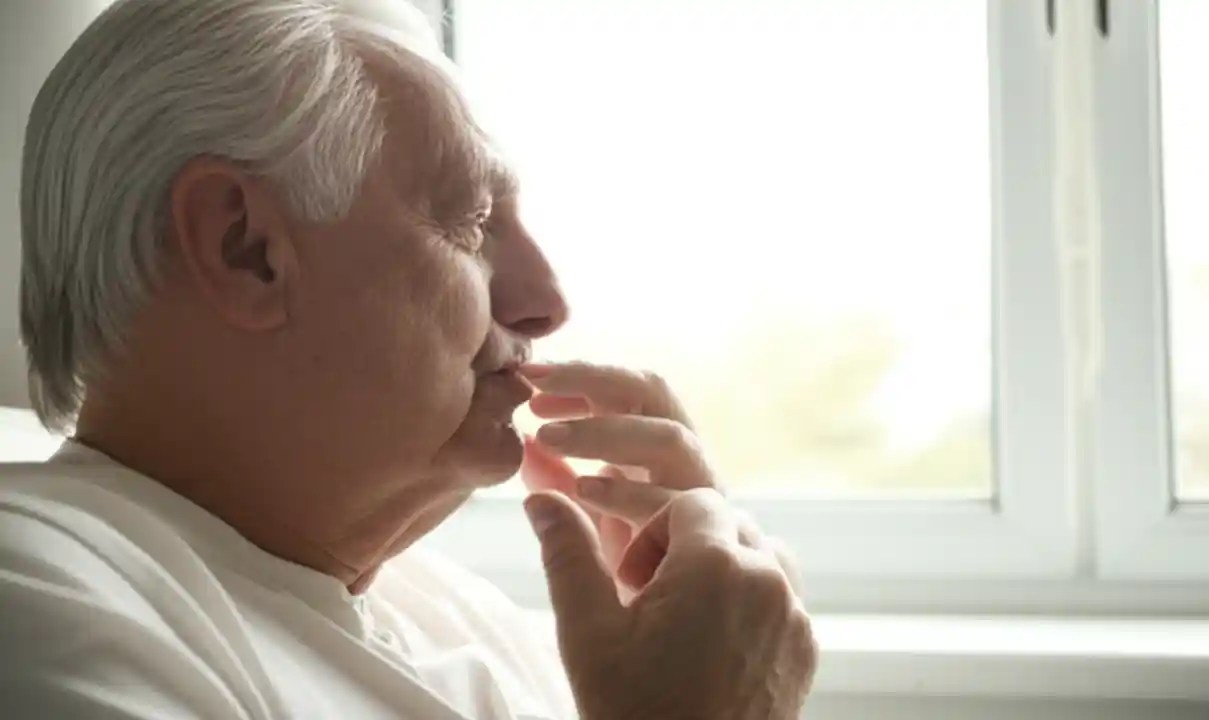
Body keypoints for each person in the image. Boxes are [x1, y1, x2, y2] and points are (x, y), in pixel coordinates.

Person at [0, 0, 817, 718]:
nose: (547, 302)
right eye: (470, 220)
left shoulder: (472, 620)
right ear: (244, 248)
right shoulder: (37, 596)